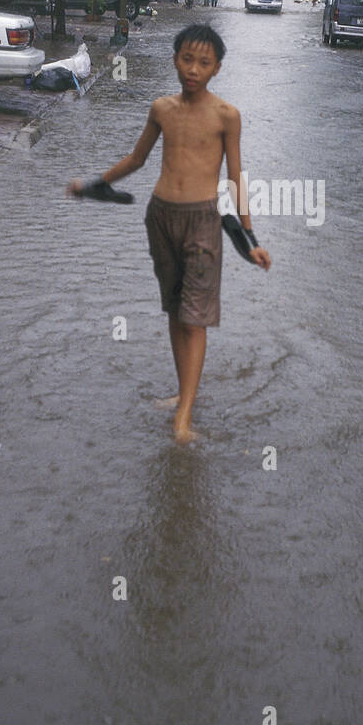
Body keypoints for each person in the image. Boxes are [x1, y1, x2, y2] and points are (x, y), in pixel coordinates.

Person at [66, 23, 271, 443]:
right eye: (187, 59)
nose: (194, 69)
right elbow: (137, 159)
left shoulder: (226, 116)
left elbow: (235, 179)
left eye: (204, 63)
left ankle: (184, 419)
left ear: (217, 68)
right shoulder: (162, 108)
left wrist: (249, 239)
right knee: (177, 313)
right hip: (160, 217)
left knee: (195, 321)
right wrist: (92, 184)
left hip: (203, 221)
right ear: (175, 59)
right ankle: (183, 395)